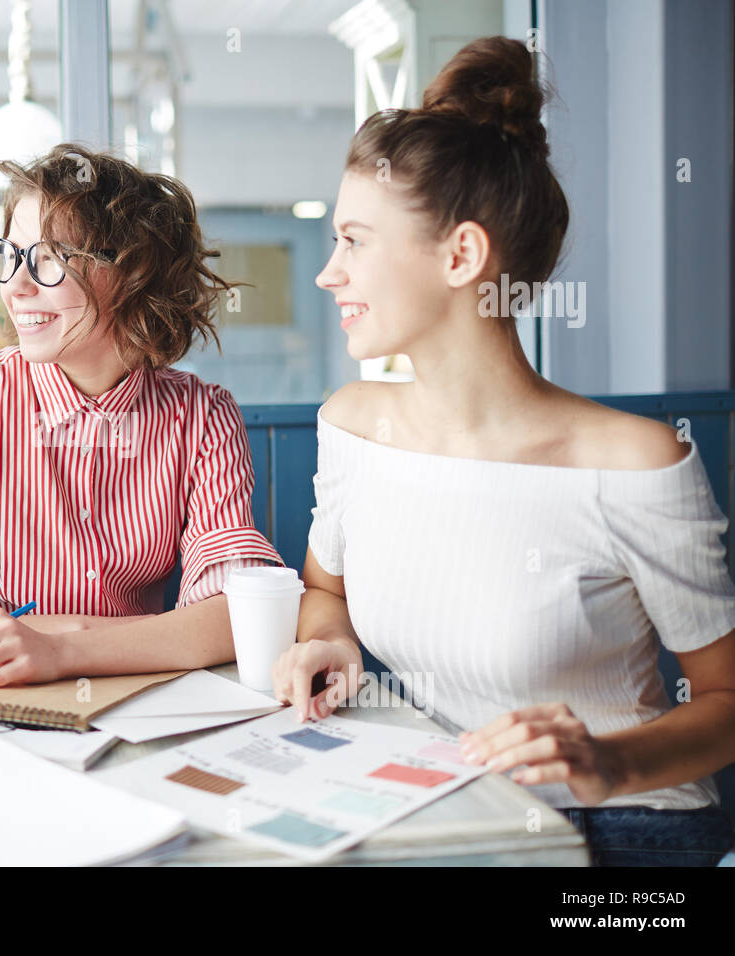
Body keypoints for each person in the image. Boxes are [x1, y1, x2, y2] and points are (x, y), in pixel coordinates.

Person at [272, 36, 735, 866]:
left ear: (461, 256)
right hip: (444, 806)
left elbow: (728, 698)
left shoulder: (636, 463)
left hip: (626, 826)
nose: (327, 273)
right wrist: (329, 641)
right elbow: (323, 590)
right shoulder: (352, 425)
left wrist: (608, 762)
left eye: (354, 241)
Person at [0, 144, 283, 685]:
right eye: (11, 255)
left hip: (130, 701)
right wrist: (60, 639)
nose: (16, 286)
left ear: (133, 274)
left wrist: (61, 649)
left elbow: (235, 616)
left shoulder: (199, 415)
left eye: (51, 258)